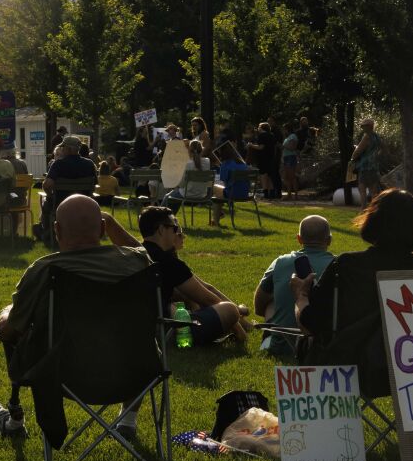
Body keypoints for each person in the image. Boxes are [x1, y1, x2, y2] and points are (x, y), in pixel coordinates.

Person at [0, 195, 152, 440]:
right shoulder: (138, 262)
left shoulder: (44, 270)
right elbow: (154, 260)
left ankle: (15, 421)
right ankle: (128, 421)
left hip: (64, 374)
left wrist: (6, 314)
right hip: (136, 371)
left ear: (57, 229)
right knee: (131, 336)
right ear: (103, 229)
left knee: (14, 327)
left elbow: (10, 332)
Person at [290, 189, 413, 399]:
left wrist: (301, 296)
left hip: (352, 370)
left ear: (372, 222)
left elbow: (311, 323)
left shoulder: (347, 267)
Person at [137, 206, 247, 346]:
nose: (178, 233)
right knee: (229, 309)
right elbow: (207, 298)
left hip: (134, 328)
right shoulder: (169, 263)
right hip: (166, 330)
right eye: (175, 229)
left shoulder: (136, 254)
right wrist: (238, 328)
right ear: (161, 229)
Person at [253, 215, 335, 358]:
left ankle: (273, 337)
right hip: (324, 346)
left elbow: (259, 306)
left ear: (299, 239)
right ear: (329, 240)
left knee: (270, 303)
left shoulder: (281, 262)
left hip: (281, 347)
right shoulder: (338, 266)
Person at [39, 136, 97, 246]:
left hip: (61, 205)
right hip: (84, 205)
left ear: (69, 149)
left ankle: (48, 236)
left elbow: (47, 185)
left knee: (46, 204)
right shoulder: (89, 164)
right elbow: (94, 185)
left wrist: (49, 194)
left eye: (63, 148)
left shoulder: (58, 164)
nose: (62, 150)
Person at [212, 141, 249, 227]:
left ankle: (216, 219)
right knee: (218, 196)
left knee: (214, 188)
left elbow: (224, 182)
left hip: (233, 193)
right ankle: (216, 218)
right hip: (245, 193)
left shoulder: (225, 164)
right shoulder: (242, 163)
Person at [350, 117, 382, 205]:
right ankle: (374, 210)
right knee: (373, 191)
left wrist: (352, 158)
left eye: (364, 126)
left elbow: (358, 151)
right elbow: (382, 149)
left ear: (369, 126)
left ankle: (363, 209)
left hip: (365, 166)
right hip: (374, 166)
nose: (362, 128)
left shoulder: (367, 137)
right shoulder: (376, 136)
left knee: (362, 188)